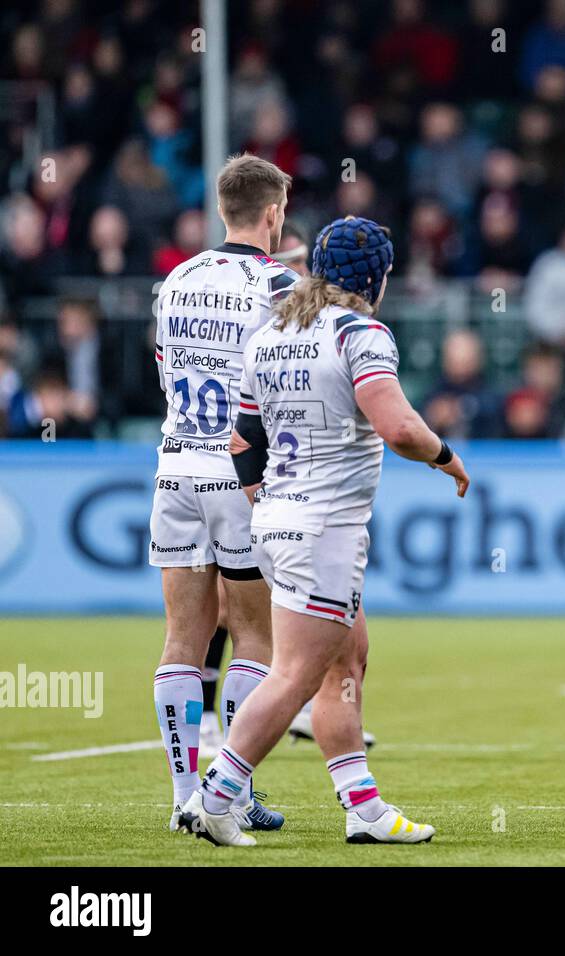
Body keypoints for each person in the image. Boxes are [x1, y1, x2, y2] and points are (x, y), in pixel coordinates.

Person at [178, 216, 470, 847]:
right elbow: (398, 427)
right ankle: (218, 796)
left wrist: (269, 501)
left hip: (279, 522)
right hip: (325, 529)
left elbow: (241, 439)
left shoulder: (271, 332)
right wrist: (446, 457)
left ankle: (362, 808)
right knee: (297, 674)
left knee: (347, 657)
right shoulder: (361, 333)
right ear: (377, 278)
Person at [149, 154, 297, 833]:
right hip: (240, 475)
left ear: (221, 209)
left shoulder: (176, 279)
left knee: (184, 637)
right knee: (256, 637)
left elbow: (162, 365)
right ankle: (228, 793)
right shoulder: (281, 286)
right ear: (274, 214)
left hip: (175, 466)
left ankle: (186, 795)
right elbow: (285, 387)